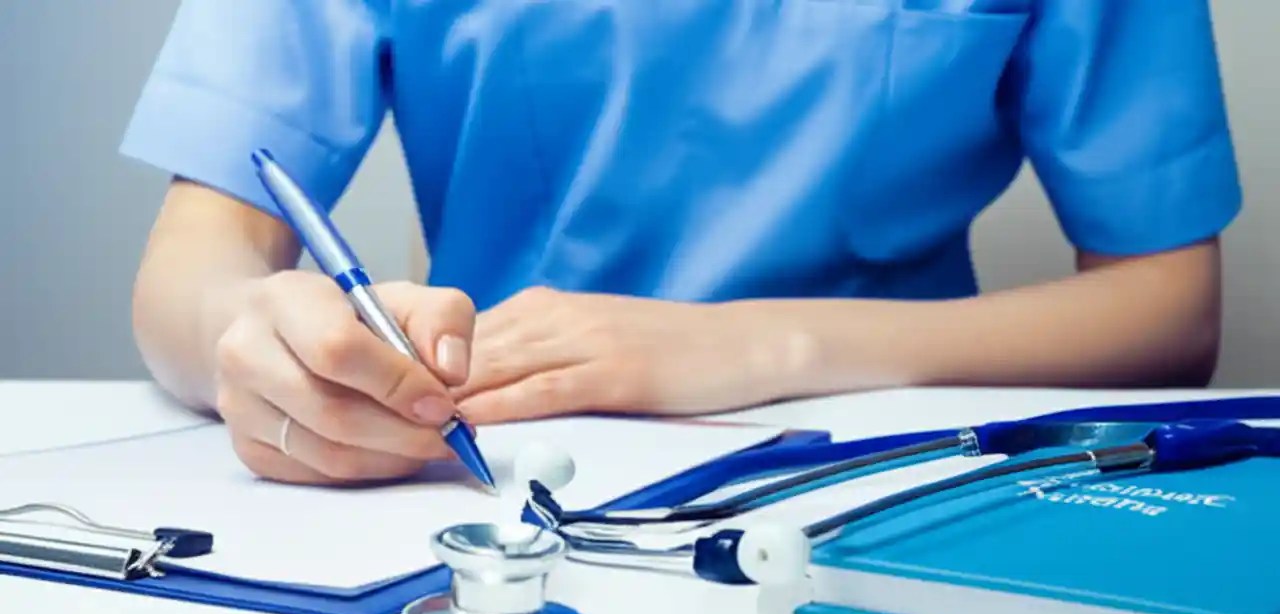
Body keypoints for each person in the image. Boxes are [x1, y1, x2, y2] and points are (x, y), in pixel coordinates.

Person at [121, 0, 1242, 485]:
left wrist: (763, 350)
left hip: (890, 470)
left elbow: (1167, 308)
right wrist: (255, 340)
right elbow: (199, 259)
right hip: (492, 467)